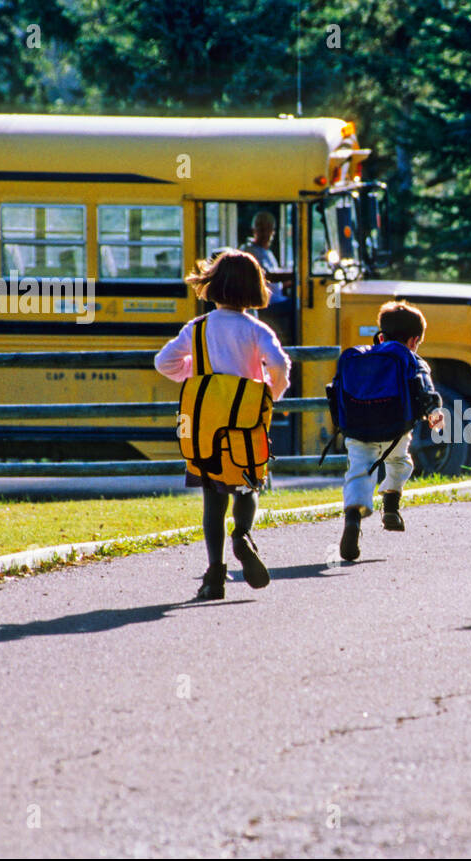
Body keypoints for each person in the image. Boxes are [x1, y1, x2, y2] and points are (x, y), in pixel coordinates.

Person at [155, 249, 291, 600]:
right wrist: (270, 394)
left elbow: (164, 362)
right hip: (245, 425)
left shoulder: (197, 328)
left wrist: (194, 372)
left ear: (211, 285)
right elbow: (279, 365)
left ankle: (215, 575)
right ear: (254, 288)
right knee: (248, 485)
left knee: (213, 501)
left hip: (207, 427)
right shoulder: (257, 330)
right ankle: (242, 535)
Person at [334, 300, 444, 562]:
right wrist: (434, 412)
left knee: (359, 472)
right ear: (414, 341)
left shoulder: (360, 358)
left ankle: (353, 517)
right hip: (395, 430)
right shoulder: (411, 358)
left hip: (359, 429)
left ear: (381, 337)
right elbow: (425, 388)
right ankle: (391, 506)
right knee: (401, 463)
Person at [241, 210, 293, 342]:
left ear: (273, 231)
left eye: (268, 229)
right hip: (265, 303)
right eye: (261, 229)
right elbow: (266, 276)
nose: (265, 234)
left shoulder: (266, 252)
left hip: (275, 299)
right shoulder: (249, 250)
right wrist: (293, 275)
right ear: (254, 230)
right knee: (298, 306)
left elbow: (274, 280)